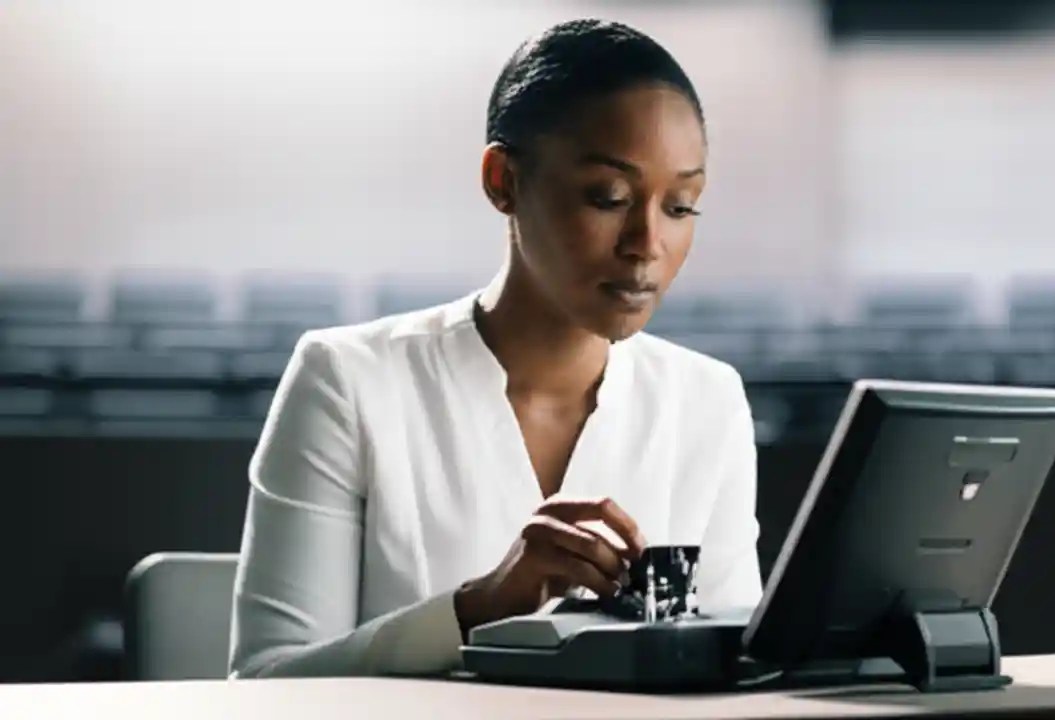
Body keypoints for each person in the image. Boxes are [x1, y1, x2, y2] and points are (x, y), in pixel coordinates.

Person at [228, 18, 761, 679]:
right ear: (503, 180)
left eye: (680, 207)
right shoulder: (347, 382)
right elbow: (264, 684)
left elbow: (742, 667)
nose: (647, 244)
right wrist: (477, 609)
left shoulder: (707, 401)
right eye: (609, 197)